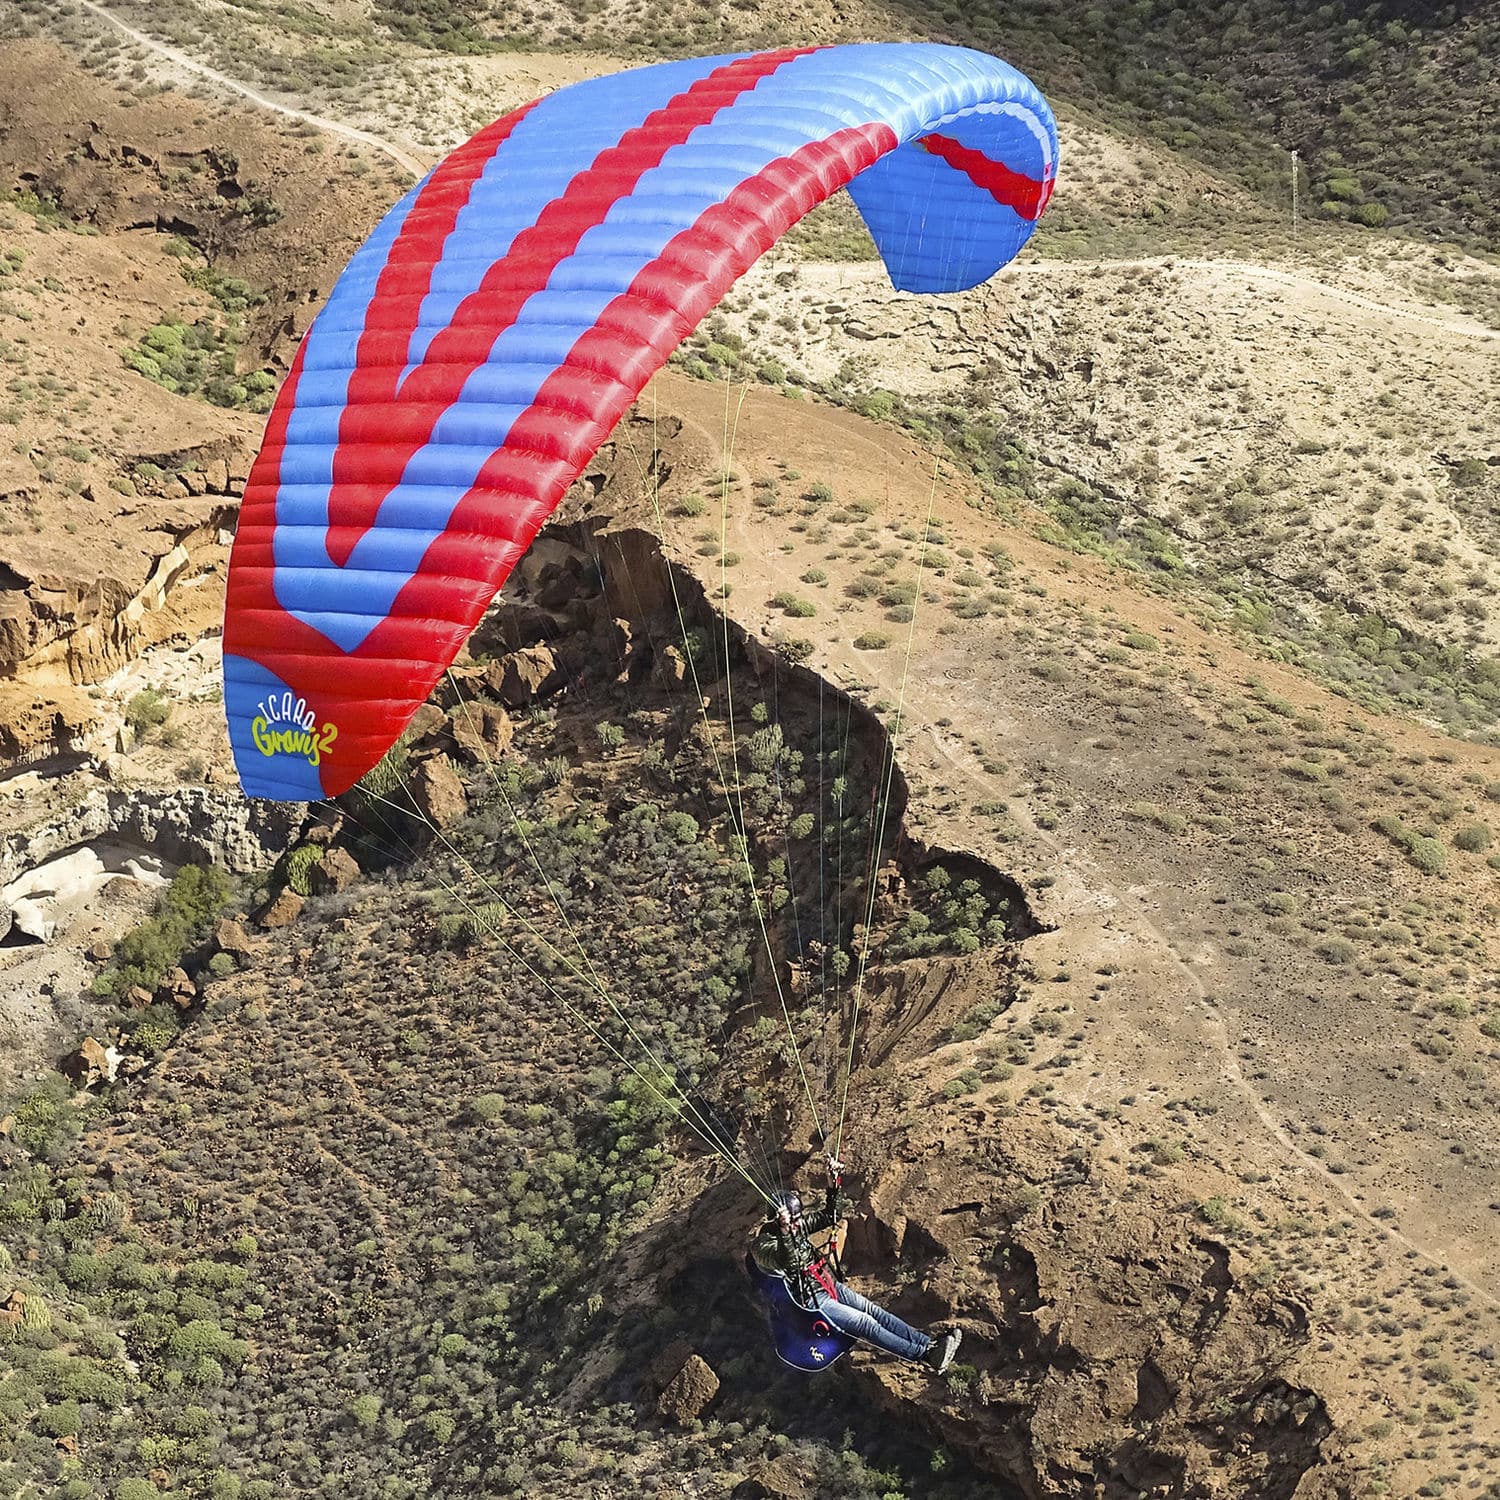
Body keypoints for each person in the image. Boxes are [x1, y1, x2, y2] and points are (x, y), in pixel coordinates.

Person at [750, 1156, 962, 1372]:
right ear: (775, 1221)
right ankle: (924, 1355)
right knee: (864, 1323)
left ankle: (929, 1344)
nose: (798, 1224)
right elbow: (790, 1261)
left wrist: (833, 1185)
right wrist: (786, 1232)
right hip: (811, 1303)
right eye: (793, 1221)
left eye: (798, 1219)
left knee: (876, 1312)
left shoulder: (795, 1227)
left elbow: (830, 1215)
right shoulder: (762, 1246)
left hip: (826, 1283)